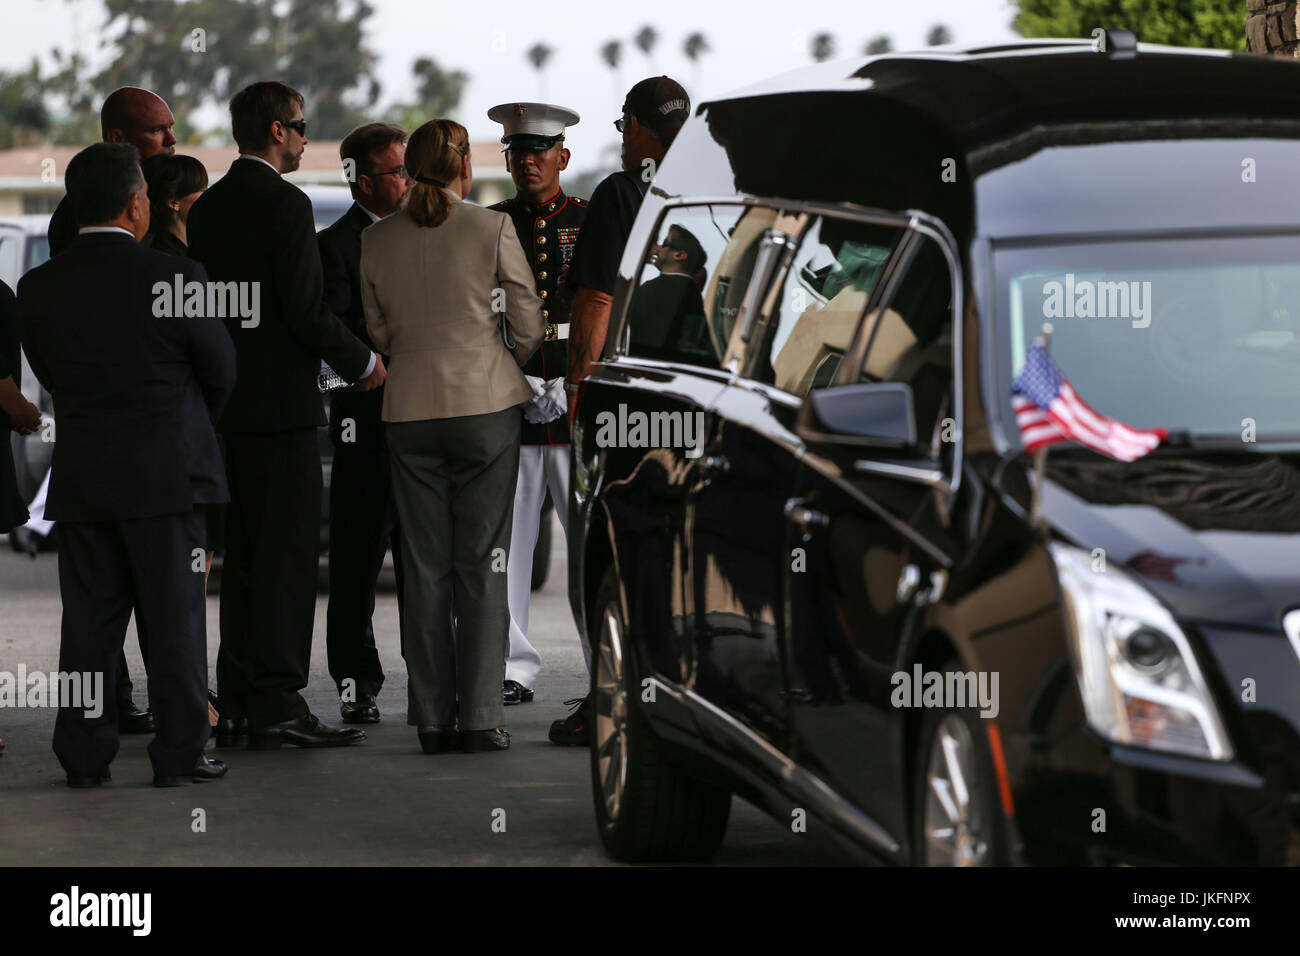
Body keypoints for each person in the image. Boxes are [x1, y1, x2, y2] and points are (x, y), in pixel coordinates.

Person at [17, 142, 235, 787]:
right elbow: (221, 373)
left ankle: (84, 758)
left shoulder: (38, 286)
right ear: (138, 205)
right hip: (167, 480)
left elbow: (52, 376)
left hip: (84, 479)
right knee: (174, 626)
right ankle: (180, 755)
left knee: (88, 628)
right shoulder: (177, 280)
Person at [187, 81, 385, 751]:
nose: (304, 139)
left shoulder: (208, 209)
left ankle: (239, 695)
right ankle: (278, 698)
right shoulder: (287, 205)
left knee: (241, 557)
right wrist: (364, 363)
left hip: (226, 411)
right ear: (276, 131)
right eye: (300, 127)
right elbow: (305, 313)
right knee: (288, 558)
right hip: (284, 412)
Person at [360, 119, 544, 754]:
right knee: (484, 565)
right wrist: (503, 358)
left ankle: (433, 718)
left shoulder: (377, 238)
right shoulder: (490, 227)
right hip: (486, 405)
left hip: (408, 410)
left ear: (409, 167)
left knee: (425, 567)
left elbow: (379, 334)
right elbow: (528, 322)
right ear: (465, 164)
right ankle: (482, 717)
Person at [556, 75, 690, 746]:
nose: (620, 136)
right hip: (698, 401)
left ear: (640, 127)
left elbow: (596, 302)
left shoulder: (620, 192)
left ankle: (605, 696)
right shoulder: (708, 188)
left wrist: (581, 390)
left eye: (622, 124)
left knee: (607, 549)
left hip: (629, 401)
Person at [46, 86, 179, 735]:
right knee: (160, 606)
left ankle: (88, 741)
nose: (173, 142)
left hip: (89, 454)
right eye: (160, 132)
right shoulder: (88, 219)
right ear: (122, 140)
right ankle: (175, 729)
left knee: (92, 612)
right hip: (152, 457)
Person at [486, 101, 588, 708]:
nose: (527, 162)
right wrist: (515, 380)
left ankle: (600, 665)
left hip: (574, 403)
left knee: (585, 543)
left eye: (539, 151)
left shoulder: (591, 218)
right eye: (517, 153)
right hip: (512, 398)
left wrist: (573, 382)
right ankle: (513, 666)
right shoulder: (491, 222)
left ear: (562, 157)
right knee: (511, 544)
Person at [320, 122, 409, 725]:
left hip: (431, 424)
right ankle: (356, 685)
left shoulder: (429, 235)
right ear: (360, 177)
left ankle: (439, 677)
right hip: (365, 426)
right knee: (355, 565)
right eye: (396, 171)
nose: (407, 180)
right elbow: (332, 333)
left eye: (408, 169)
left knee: (431, 564)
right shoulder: (330, 247)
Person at [627, 224, 709, 359]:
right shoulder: (694, 296)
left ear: (679, 255)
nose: (658, 248)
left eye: (665, 243)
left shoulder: (651, 290)